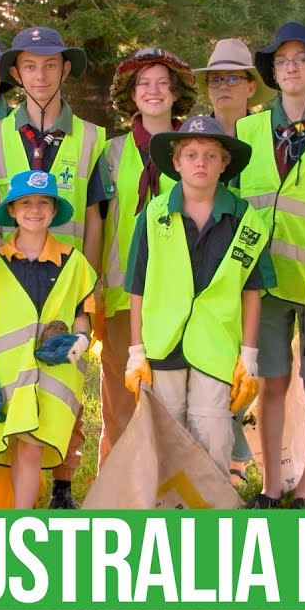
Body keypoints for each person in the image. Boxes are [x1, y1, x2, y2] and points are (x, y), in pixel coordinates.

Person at [0, 26, 109, 509]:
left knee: (63, 384)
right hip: (13, 277)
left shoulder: (92, 136)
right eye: (30, 66)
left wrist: (87, 283)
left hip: (69, 280)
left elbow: (95, 215)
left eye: (51, 65)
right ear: (15, 73)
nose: (40, 75)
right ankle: (14, 492)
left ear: (65, 70)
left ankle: (62, 485)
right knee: (17, 380)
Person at [124, 115, 274, 477]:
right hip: (162, 344)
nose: (200, 163)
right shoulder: (152, 215)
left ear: (225, 164)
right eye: (191, 154)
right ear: (176, 163)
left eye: (210, 155)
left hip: (216, 346)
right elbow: (137, 288)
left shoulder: (244, 220)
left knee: (213, 434)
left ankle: (209, 519)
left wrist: (248, 355)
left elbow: (251, 289)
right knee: (164, 433)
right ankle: (164, 520)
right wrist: (135, 352)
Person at [235, 22, 305, 508]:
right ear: (272, 73)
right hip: (266, 281)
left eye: (301, 58)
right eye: (281, 60)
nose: (291, 67)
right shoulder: (249, 130)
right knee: (271, 383)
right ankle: (271, 485)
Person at [97, 47, 197, 467]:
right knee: (121, 395)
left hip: (183, 291)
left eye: (161, 83)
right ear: (131, 95)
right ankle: (118, 488)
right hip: (124, 289)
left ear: (175, 92)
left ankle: (174, 485)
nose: (153, 91)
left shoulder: (194, 146)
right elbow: (99, 219)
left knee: (179, 395)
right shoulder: (111, 152)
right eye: (143, 84)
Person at [0, 170, 96, 508]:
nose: (35, 209)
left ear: (54, 209)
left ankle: (22, 523)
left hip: (53, 372)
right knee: (20, 446)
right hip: (10, 368)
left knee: (30, 446)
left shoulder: (74, 262)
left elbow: (81, 309)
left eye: (43, 202)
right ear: (12, 211)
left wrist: (81, 339)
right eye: (25, 203)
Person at [194, 39, 275, 135]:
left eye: (232, 79)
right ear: (208, 90)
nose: (223, 87)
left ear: (250, 89)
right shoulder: (195, 138)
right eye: (215, 80)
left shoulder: (269, 134)